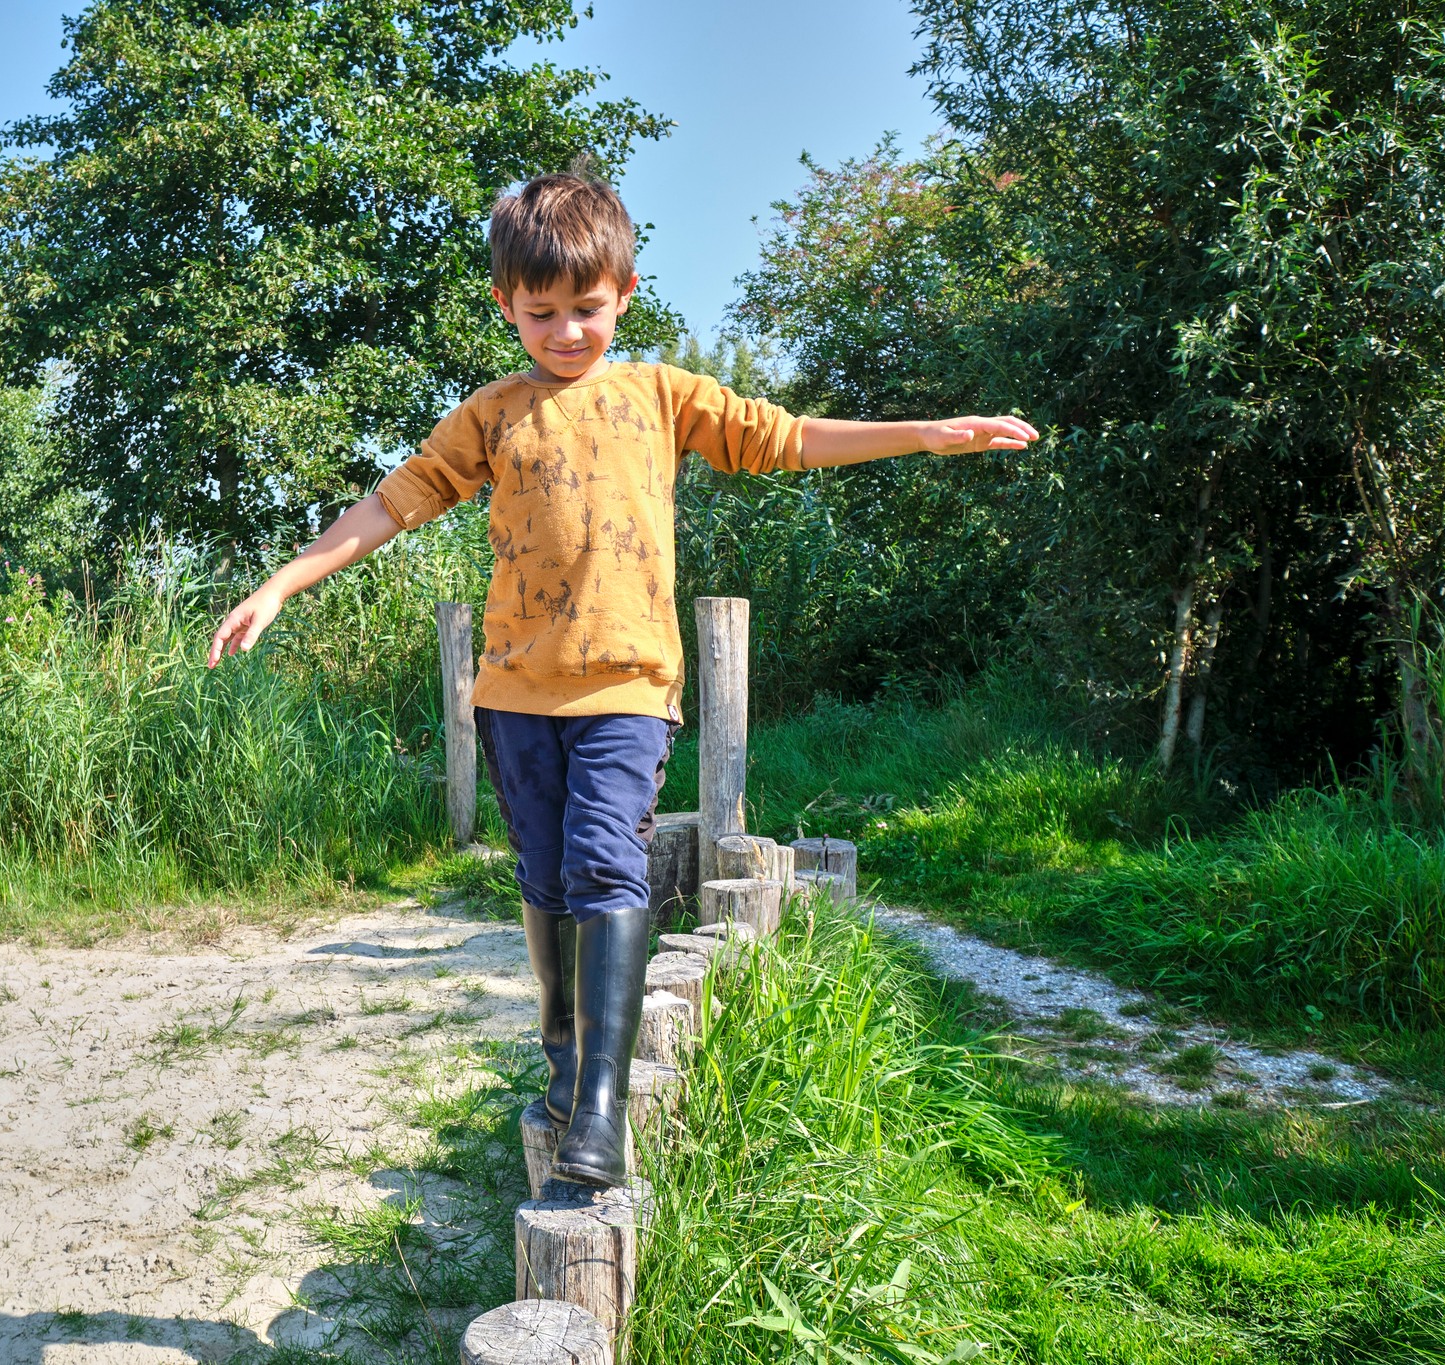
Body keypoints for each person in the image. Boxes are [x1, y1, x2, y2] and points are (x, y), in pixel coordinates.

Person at [208, 172, 1036, 1188]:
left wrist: (924, 430)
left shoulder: (658, 396)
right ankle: (562, 1067)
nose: (564, 333)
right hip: (513, 697)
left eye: (585, 311)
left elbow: (783, 439)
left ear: (624, 294)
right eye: (540, 313)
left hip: (628, 691)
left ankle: (599, 1107)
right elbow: (394, 504)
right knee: (547, 880)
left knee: (606, 867)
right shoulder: (490, 416)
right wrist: (284, 582)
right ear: (506, 306)